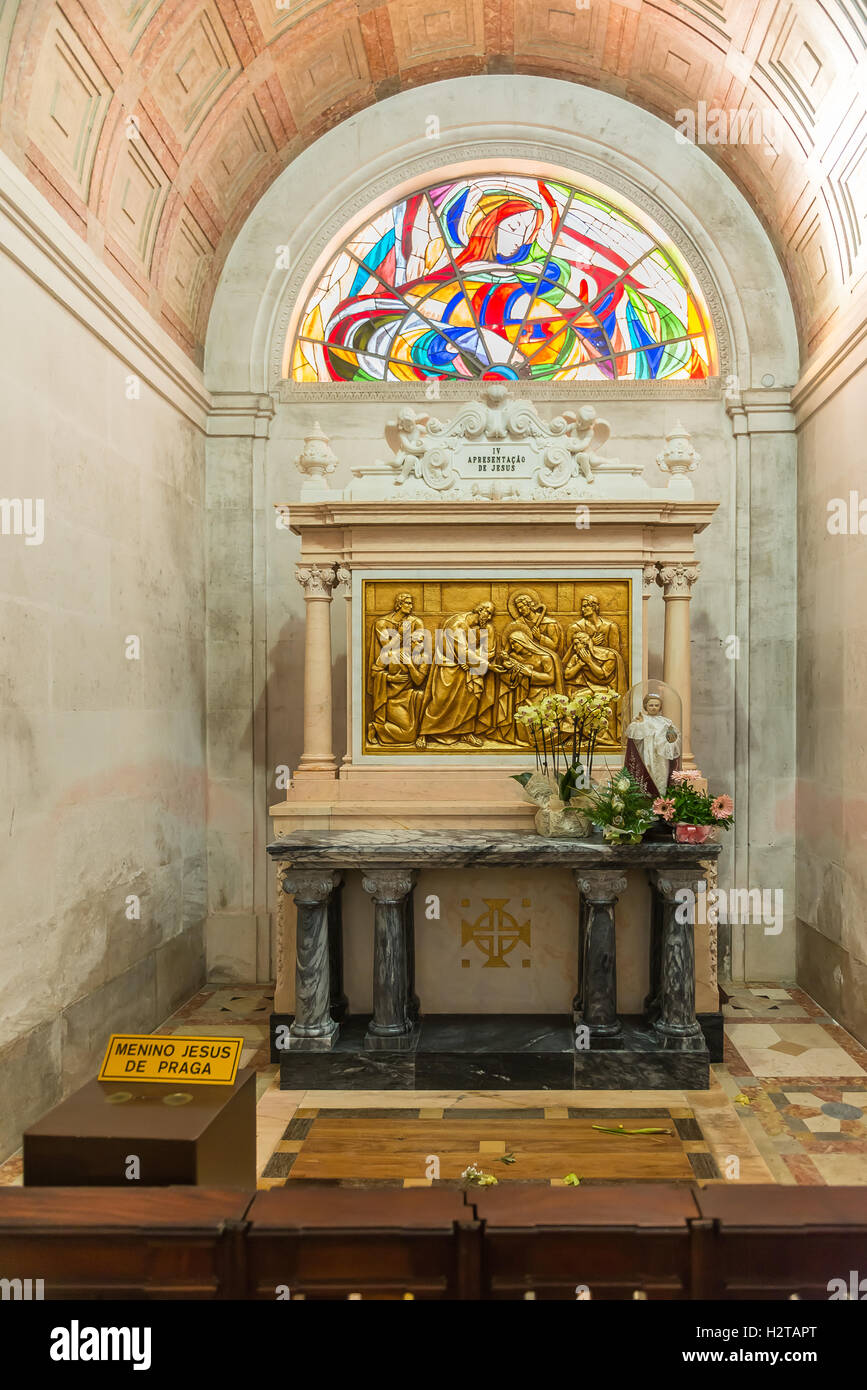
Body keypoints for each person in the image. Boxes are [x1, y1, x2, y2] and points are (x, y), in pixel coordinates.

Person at [624, 691, 681, 797]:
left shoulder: (665, 722)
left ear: (660, 707)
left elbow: (673, 740)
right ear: (645, 706)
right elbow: (635, 738)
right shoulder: (641, 719)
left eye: (656, 705)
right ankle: (647, 799)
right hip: (647, 752)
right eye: (651, 705)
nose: (654, 708)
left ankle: (662, 797)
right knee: (648, 772)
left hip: (661, 756)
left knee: (662, 774)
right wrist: (639, 724)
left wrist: (671, 738)